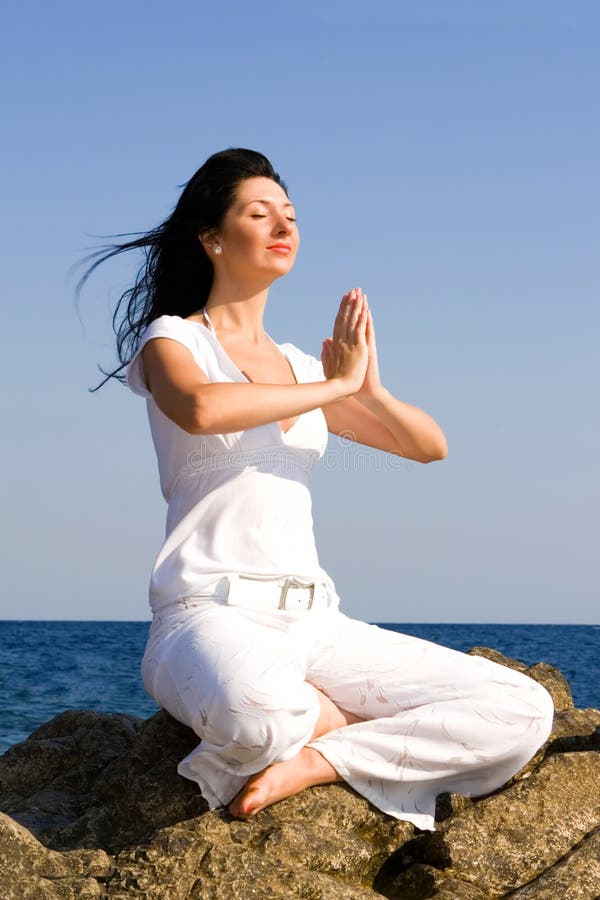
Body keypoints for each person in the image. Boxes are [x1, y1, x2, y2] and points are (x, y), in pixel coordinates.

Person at [83, 148, 554, 830]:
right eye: (259, 213)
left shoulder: (302, 368)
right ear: (212, 238)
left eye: (291, 215)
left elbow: (428, 446)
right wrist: (332, 388)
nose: (283, 226)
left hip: (315, 622)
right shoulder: (173, 341)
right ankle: (330, 726)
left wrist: (371, 389)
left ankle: (321, 757)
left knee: (522, 709)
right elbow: (202, 410)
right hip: (206, 617)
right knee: (256, 716)